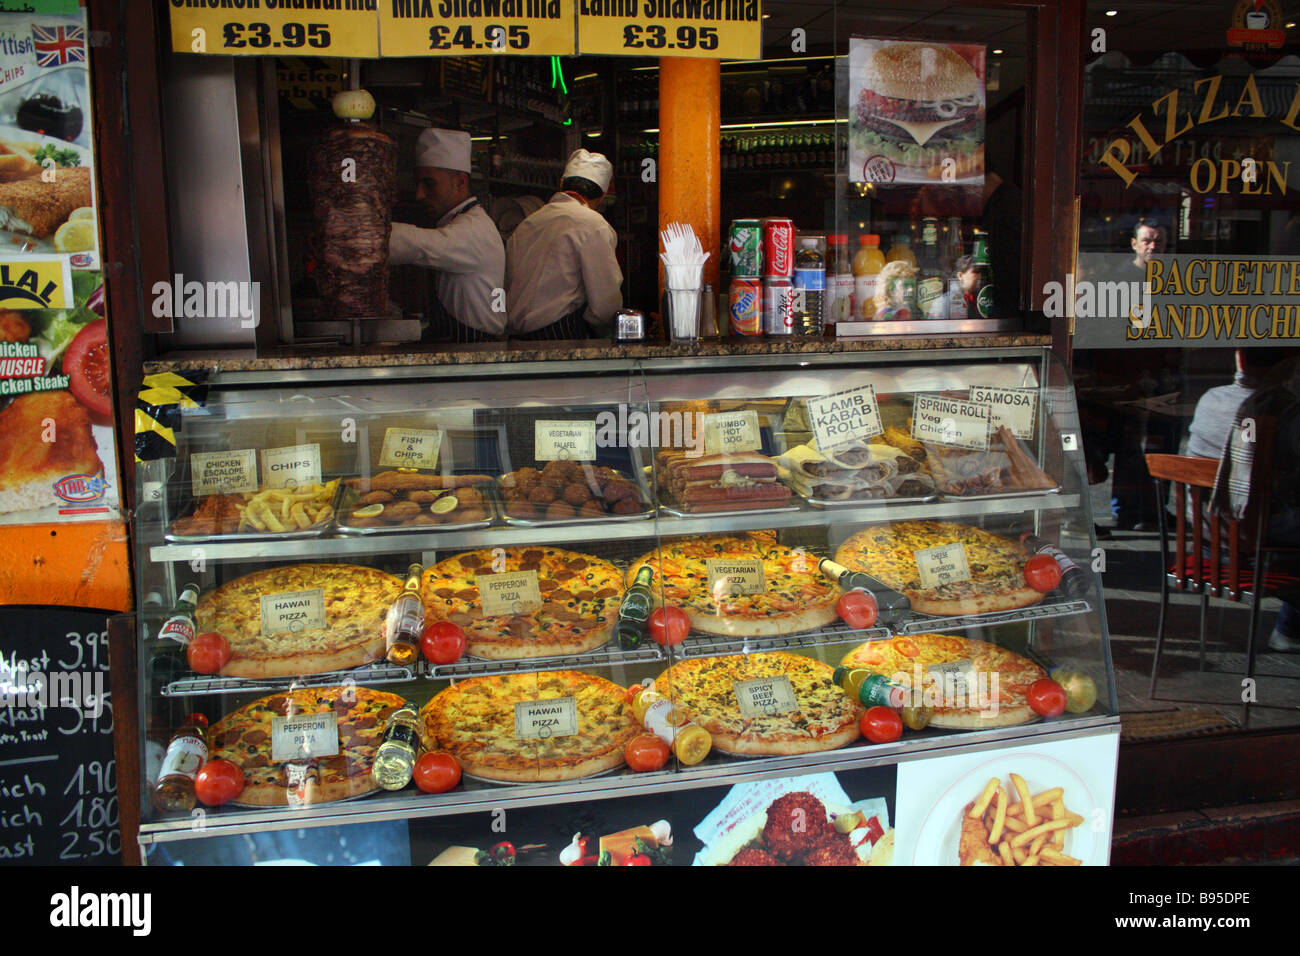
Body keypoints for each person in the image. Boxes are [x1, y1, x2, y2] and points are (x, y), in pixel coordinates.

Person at [1210, 353, 1300, 652]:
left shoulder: (1210, 399)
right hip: (1248, 538)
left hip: (1207, 536)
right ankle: (1289, 628)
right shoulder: (1282, 408)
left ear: (1237, 358)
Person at [390, 128, 506, 342]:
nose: (419, 194)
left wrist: (364, 233)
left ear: (460, 182)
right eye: (418, 183)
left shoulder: (473, 230)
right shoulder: (458, 223)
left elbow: (423, 246)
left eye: (429, 183)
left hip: (476, 353)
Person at [505, 149, 623, 340]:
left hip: (515, 339)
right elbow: (604, 307)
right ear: (601, 196)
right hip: (559, 335)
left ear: (561, 184)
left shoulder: (528, 223)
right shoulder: (594, 225)